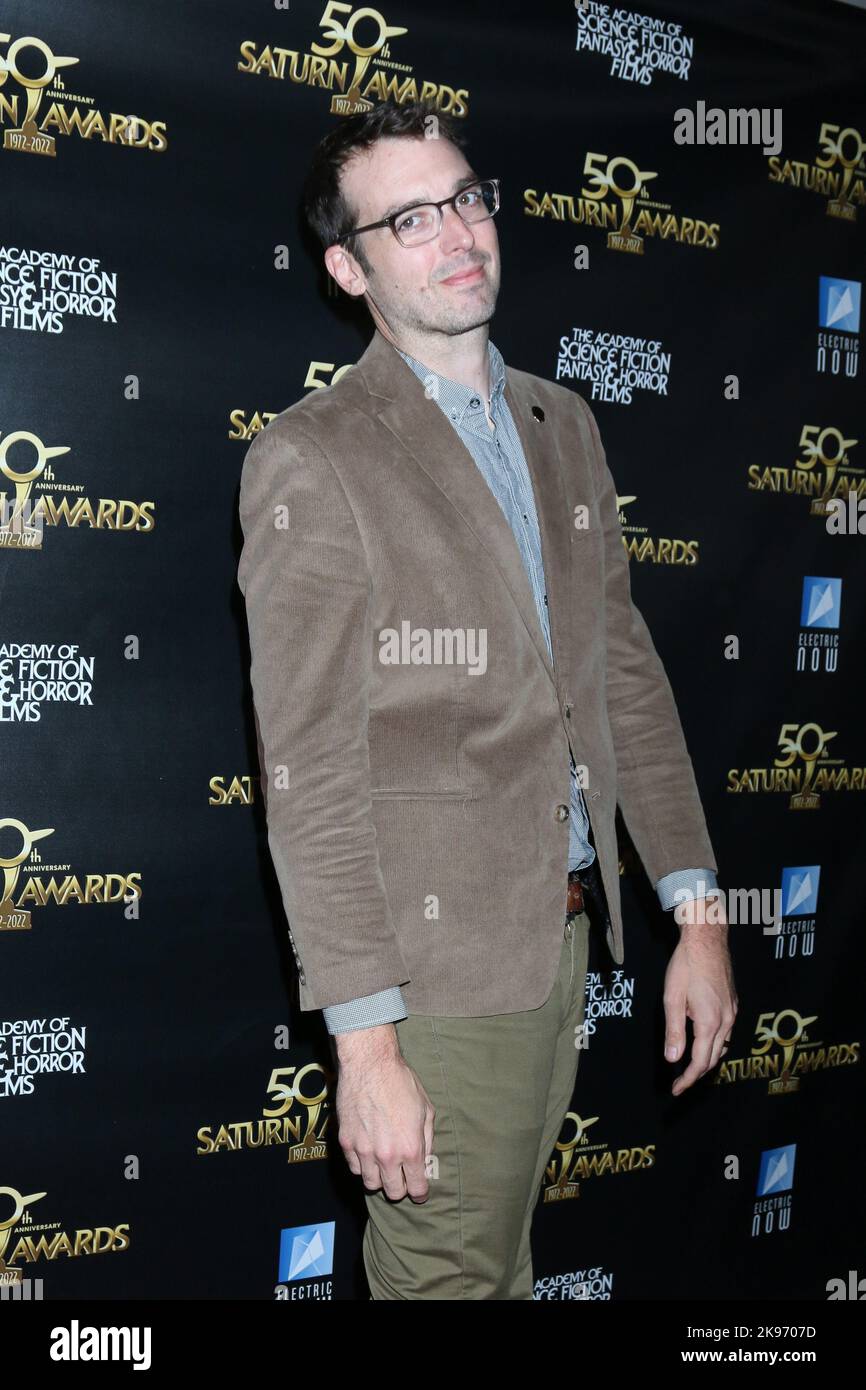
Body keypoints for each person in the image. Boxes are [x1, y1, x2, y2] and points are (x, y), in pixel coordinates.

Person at [237, 99, 737, 1300]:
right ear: (348, 268)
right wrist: (366, 1047)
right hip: (432, 975)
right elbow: (306, 776)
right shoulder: (312, 457)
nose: (457, 232)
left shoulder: (561, 423)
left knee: (494, 1268)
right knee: (448, 1281)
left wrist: (696, 910)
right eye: (410, 218)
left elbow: (621, 674)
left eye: (464, 197)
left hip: (559, 939)